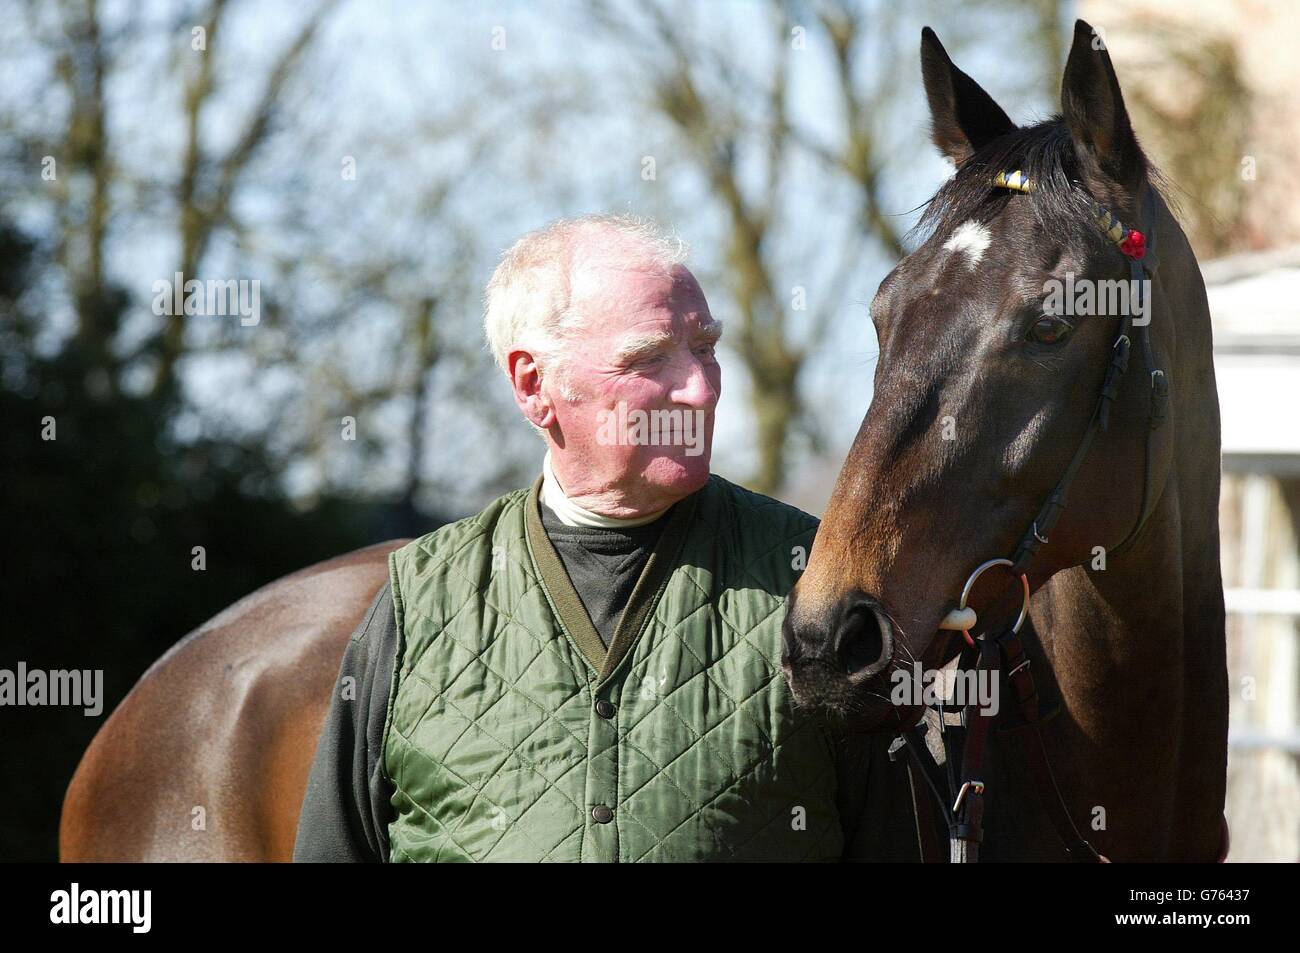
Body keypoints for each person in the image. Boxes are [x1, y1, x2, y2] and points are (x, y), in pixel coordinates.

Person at [292, 213, 912, 862]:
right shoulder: (419, 609)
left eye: (705, 346)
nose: (701, 389)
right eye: (648, 359)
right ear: (535, 385)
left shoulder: (818, 582)